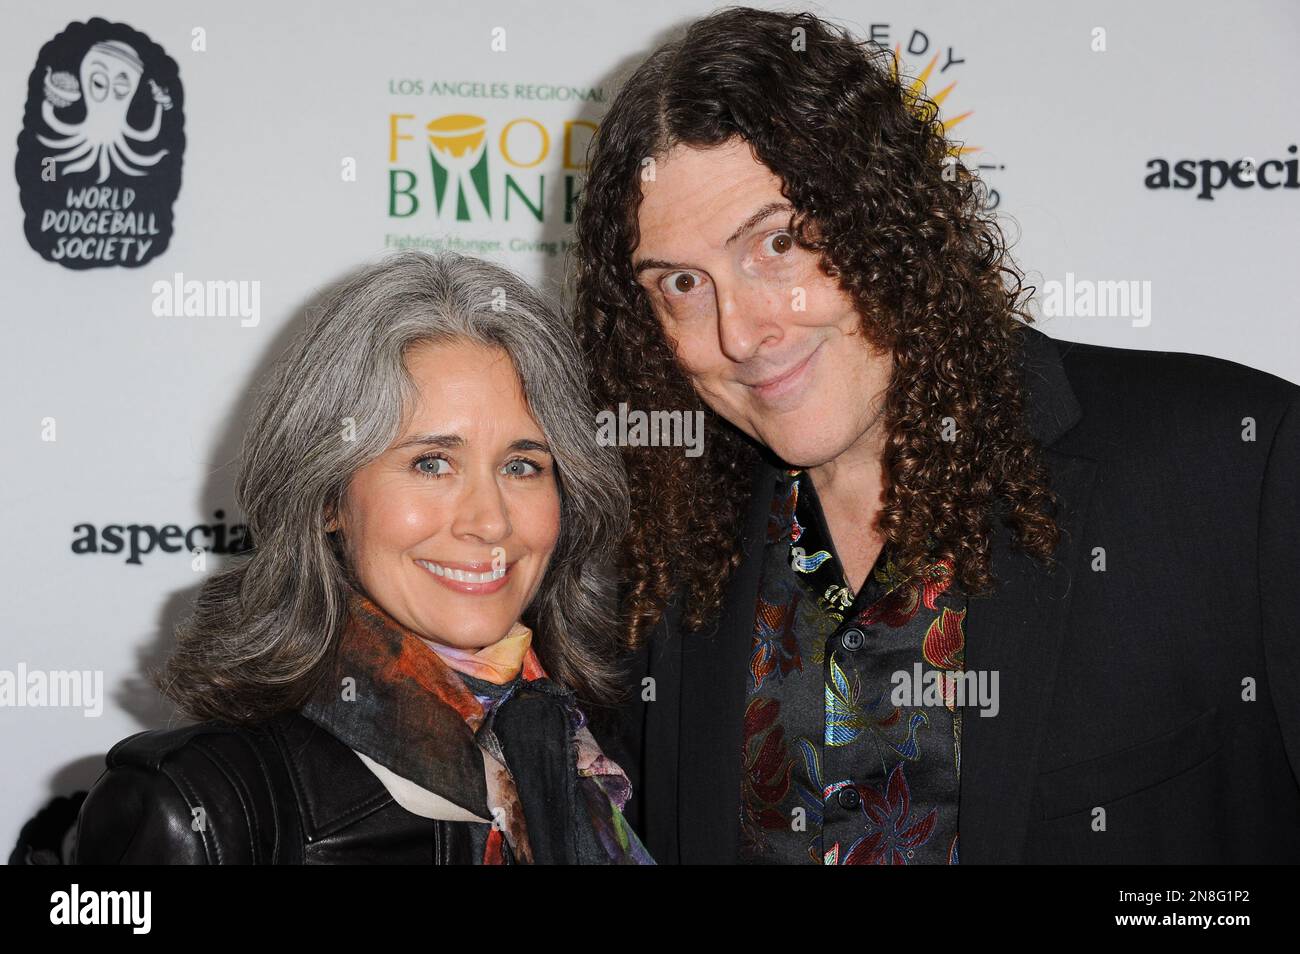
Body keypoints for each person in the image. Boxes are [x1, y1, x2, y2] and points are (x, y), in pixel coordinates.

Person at [572, 6, 1300, 863]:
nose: (741, 330)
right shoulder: (660, 558)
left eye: (776, 243)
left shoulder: (1235, 466)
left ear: (884, 215)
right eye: (683, 283)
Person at [74, 251, 653, 864]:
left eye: (521, 466)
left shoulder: (590, 756)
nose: (490, 521)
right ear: (328, 497)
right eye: (431, 463)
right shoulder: (198, 808)